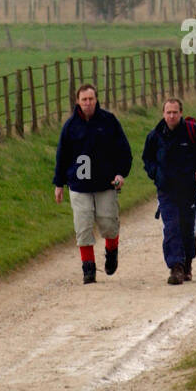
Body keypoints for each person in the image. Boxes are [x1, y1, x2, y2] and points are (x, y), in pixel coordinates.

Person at [53, 84, 132, 284]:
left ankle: (111, 251)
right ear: (77, 101)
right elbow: (62, 156)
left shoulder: (109, 121)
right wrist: (59, 184)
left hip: (105, 184)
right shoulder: (70, 126)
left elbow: (124, 150)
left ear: (96, 100)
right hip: (79, 185)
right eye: (84, 100)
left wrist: (121, 174)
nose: (88, 103)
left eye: (91, 99)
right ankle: (88, 269)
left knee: (108, 224)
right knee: (83, 226)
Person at [142, 98, 196, 285]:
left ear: (181, 113)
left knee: (187, 228)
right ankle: (175, 267)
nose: (171, 116)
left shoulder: (194, 132)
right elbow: (147, 159)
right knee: (171, 227)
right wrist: (156, 174)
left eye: (175, 112)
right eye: (168, 112)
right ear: (163, 113)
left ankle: (187, 265)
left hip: (189, 190)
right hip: (166, 191)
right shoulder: (155, 136)